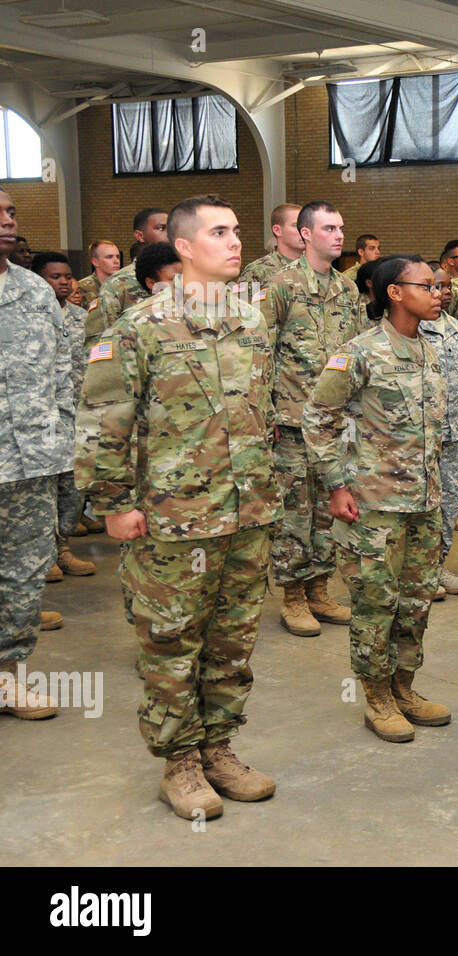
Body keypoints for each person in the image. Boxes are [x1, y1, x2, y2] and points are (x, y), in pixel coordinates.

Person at [75, 194, 280, 819]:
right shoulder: (139, 328)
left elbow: (259, 415)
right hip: (171, 519)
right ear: (184, 248)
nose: (235, 241)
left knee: (232, 642)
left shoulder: (251, 321)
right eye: (220, 232)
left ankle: (218, 748)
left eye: (238, 231)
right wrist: (113, 503)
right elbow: (102, 422)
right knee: (170, 644)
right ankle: (179, 762)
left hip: (247, 515)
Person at [302, 254, 451, 742]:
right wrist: (336, 483)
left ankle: (404, 687)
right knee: (375, 603)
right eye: (426, 286)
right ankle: (377, 698)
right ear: (393, 292)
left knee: (416, 603)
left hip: (425, 502)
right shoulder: (360, 353)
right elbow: (318, 417)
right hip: (374, 505)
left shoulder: (430, 348)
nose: (437, 293)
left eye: (437, 286)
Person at [258, 200, 363, 636]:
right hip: (291, 420)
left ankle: (319, 588)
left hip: (333, 423)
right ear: (304, 235)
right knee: (294, 512)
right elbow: (258, 354)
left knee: (328, 510)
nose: (338, 235)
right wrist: (265, 418)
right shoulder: (280, 286)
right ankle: (293, 595)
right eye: (328, 228)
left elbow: (355, 356)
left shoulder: (348, 290)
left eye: (340, 227)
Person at [0, 189, 76, 718]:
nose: (9, 220)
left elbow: (62, 373)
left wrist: (63, 435)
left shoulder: (32, 290)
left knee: (24, 573)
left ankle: (5, 679)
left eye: (11, 211)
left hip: (30, 461)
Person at [32, 252, 95, 581]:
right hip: (43, 418)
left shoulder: (81, 318)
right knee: (44, 486)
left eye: (67, 276)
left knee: (74, 484)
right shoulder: (29, 315)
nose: (64, 282)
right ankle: (45, 557)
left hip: (77, 414)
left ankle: (63, 547)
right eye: (54, 276)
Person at [416, 266, 458, 590]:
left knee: (450, 502)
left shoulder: (454, 326)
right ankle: (416, 575)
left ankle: (438, 567)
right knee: (421, 509)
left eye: (444, 287)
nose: (440, 293)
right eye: (433, 287)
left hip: (454, 433)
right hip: (422, 436)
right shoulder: (411, 328)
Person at [83, 208, 168, 351]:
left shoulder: (184, 278)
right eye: (161, 228)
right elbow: (99, 343)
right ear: (140, 236)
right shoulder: (117, 284)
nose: (169, 234)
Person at [238, 203, 304, 288]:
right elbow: (242, 301)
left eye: (306, 226)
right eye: (296, 226)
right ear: (277, 230)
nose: (303, 231)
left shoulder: (316, 268)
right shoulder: (257, 271)